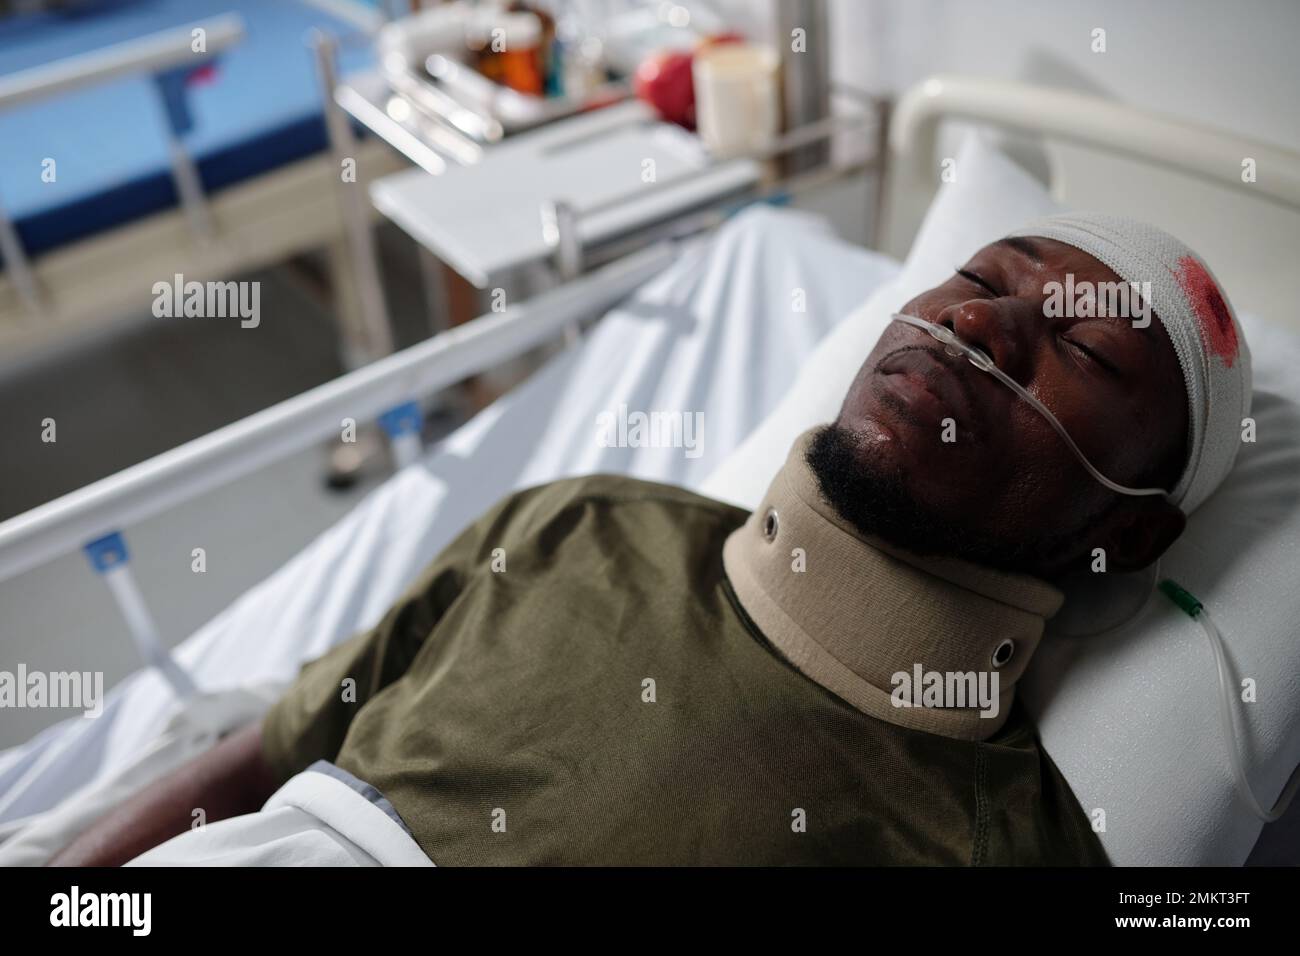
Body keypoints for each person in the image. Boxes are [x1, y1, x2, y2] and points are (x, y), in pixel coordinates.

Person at [51, 213, 1251, 866]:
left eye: (1086, 349)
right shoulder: (579, 519)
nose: (978, 320)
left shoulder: (987, 838)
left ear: (1131, 527)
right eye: (979, 274)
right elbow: (260, 758)